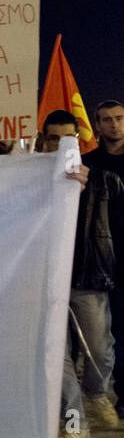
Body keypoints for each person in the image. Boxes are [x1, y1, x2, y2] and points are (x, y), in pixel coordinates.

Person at [40, 111, 123, 438]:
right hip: (44, 280)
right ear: (43, 139)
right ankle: (73, 424)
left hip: (88, 278)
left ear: (80, 140)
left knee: (100, 351)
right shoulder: (28, 178)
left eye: (68, 139)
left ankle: (95, 393)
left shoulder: (103, 180)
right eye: (53, 139)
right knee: (56, 358)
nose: (60, 146)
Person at [83, 99, 124, 406]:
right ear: (96, 125)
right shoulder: (89, 163)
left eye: (119, 118)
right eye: (107, 119)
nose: (114, 124)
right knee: (105, 330)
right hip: (99, 255)